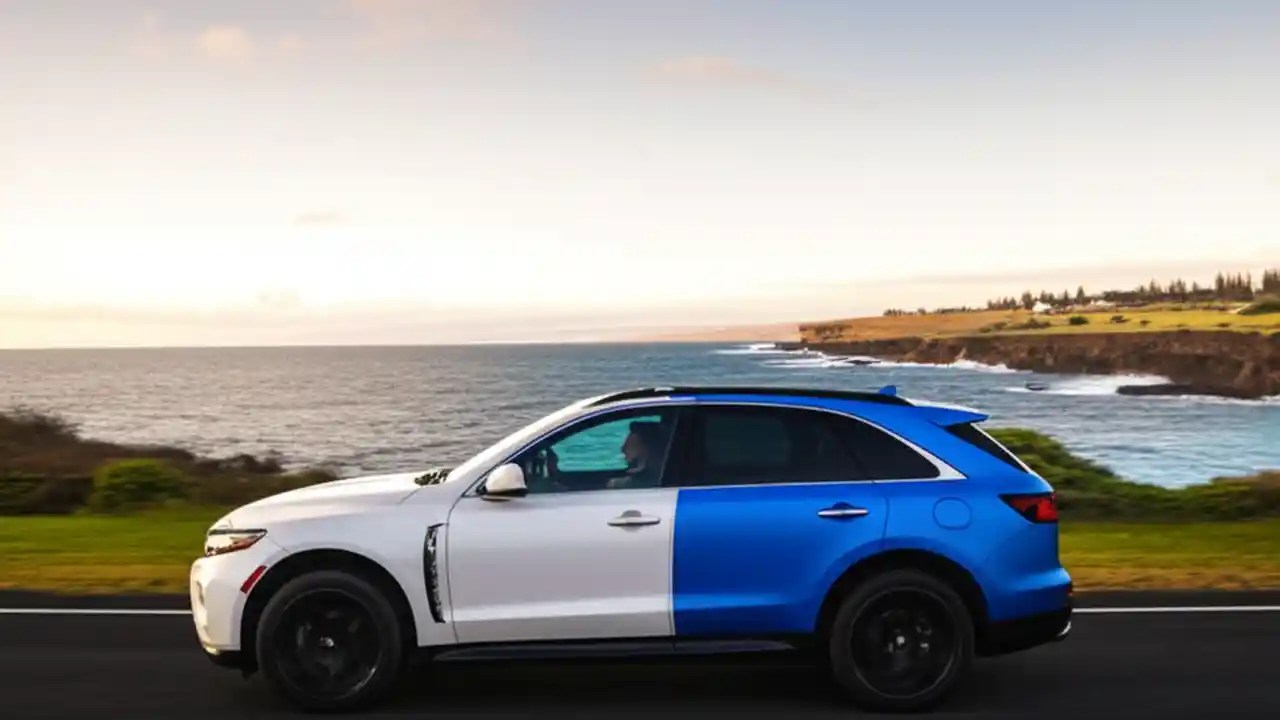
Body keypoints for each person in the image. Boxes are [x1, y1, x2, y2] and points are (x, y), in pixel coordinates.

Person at [606, 421, 665, 489]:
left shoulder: (651, 479)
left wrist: (615, 483)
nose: (623, 449)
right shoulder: (659, 471)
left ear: (645, 446)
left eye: (631, 443)